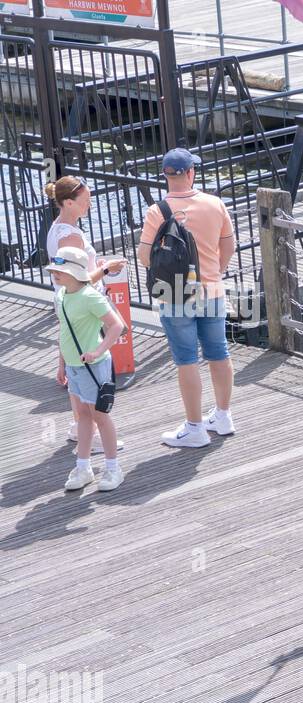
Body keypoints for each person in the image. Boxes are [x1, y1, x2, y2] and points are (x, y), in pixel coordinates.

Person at [137, 147, 236, 448]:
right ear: (191, 172)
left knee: (186, 359)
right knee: (218, 351)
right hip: (213, 290)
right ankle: (223, 415)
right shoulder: (215, 203)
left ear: (166, 175)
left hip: (175, 293)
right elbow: (228, 247)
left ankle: (195, 428)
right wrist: (213, 273)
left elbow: (144, 257)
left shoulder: (158, 211)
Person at [44, 176, 125, 456]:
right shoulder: (71, 235)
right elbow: (78, 279)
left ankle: (78, 426)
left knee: (75, 358)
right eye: (85, 200)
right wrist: (105, 269)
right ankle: (92, 430)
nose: (90, 203)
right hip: (83, 304)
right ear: (69, 202)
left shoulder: (58, 228)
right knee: (92, 367)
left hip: (67, 303)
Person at [49, 247, 125, 492]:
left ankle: (113, 468)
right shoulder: (61, 296)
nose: (55, 274)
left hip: (93, 366)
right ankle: (83, 467)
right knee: (82, 416)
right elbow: (64, 333)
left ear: (75, 273)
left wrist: (99, 351)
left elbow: (117, 326)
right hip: (74, 367)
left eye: (60, 271)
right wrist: (61, 364)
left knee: (100, 417)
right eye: (54, 270)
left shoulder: (90, 296)